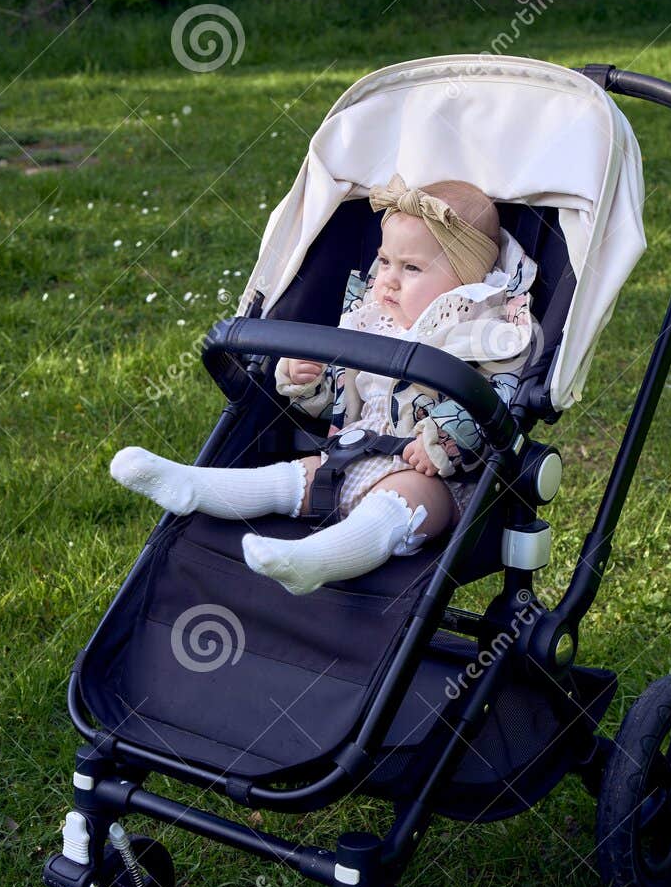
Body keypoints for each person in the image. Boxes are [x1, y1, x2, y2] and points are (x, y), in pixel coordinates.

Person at [110, 175, 536, 594]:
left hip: (434, 477)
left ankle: (314, 559)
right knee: (288, 480)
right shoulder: (375, 320)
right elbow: (344, 400)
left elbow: (498, 398)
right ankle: (192, 486)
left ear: (465, 280)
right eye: (385, 261)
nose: (387, 278)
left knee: (397, 503)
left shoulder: (485, 331)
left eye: (411, 268)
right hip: (350, 454)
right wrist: (309, 381)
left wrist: (443, 440)